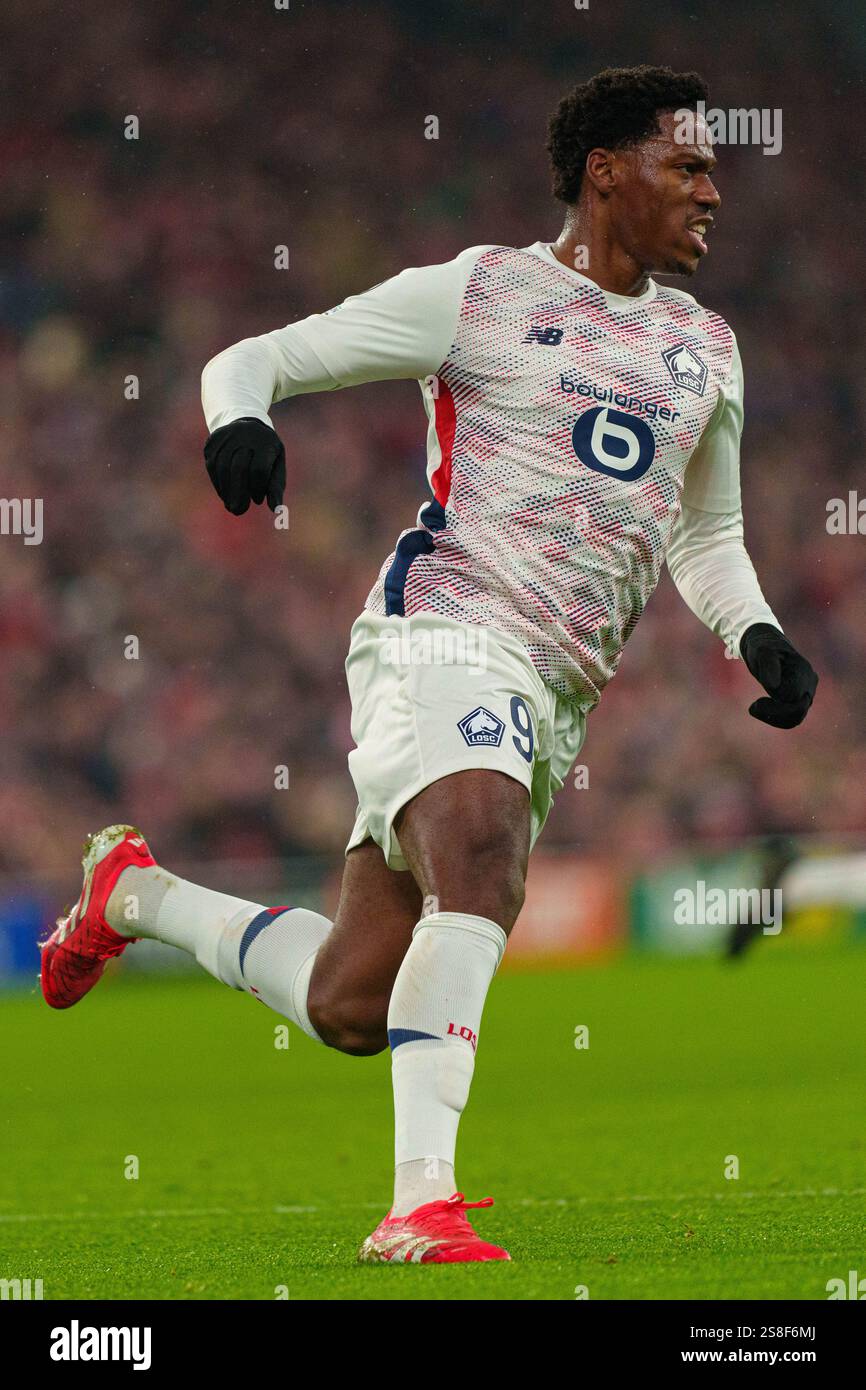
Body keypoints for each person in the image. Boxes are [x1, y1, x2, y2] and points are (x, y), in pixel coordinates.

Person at [41, 65, 817, 1264]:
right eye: (689, 165)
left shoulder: (704, 351)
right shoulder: (481, 290)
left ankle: (130, 896)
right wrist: (238, 418)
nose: (714, 190)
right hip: (443, 627)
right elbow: (256, 356)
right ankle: (419, 1204)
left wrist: (750, 631)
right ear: (606, 172)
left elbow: (701, 532)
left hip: (551, 688)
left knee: (356, 998)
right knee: (485, 860)